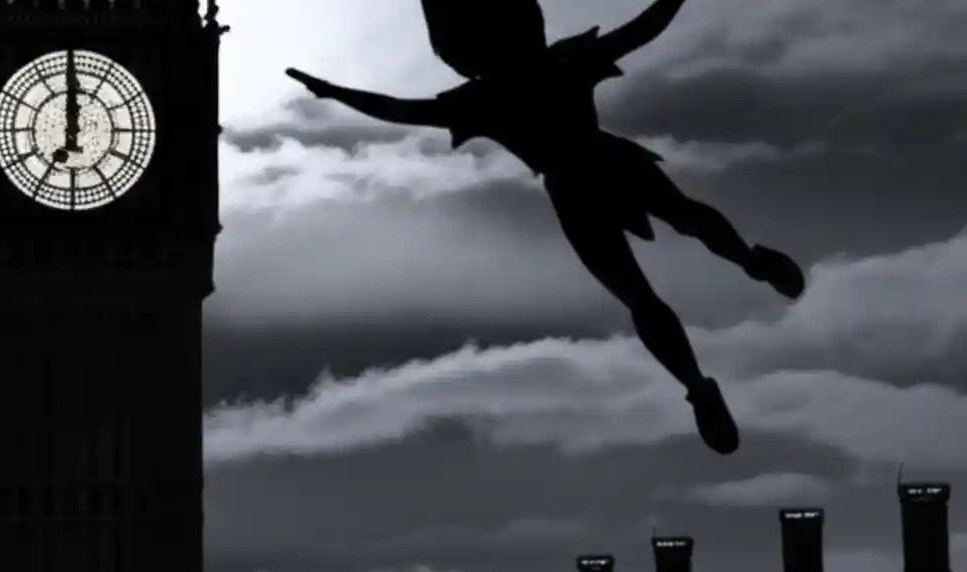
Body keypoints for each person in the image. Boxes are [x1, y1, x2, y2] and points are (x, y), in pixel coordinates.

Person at [286, 0, 806, 455]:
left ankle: (748, 269)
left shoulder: (540, 72)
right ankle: (702, 377)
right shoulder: (506, 88)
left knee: (676, 232)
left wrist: (336, 92)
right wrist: (336, 92)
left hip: (592, 171)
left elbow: (643, 28)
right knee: (647, 284)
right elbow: (400, 109)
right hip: (580, 186)